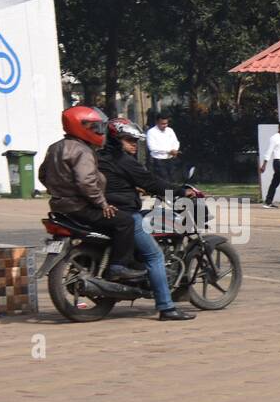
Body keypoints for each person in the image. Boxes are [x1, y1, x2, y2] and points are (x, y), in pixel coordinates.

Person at [97, 117, 196, 321]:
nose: (133, 145)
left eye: (135, 141)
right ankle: (167, 308)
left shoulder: (100, 158)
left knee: (149, 222)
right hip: (125, 212)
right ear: (116, 140)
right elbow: (151, 182)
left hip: (106, 210)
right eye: (128, 140)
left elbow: (118, 181)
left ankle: (137, 271)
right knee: (155, 256)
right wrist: (180, 191)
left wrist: (134, 187)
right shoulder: (124, 161)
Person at [39, 105, 143, 280]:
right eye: (93, 127)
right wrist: (102, 203)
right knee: (125, 222)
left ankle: (101, 258)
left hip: (60, 207)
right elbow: (86, 181)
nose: (98, 131)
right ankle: (118, 267)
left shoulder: (55, 147)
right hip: (81, 207)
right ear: (80, 126)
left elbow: (43, 175)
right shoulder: (82, 150)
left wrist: (60, 189)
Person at [145, 113, 179, 187]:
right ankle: (168, 197)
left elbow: (176, 142)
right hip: (158, 160)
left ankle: (174, 196)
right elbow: (152, 148)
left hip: (170, 159)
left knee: (173, 179)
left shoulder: (170, 130)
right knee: (164, 180)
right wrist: (169, 151)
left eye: (166, 123)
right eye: (162, 124)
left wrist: (175, 150)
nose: (165, 125)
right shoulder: (151, 132)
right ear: (157, 122)